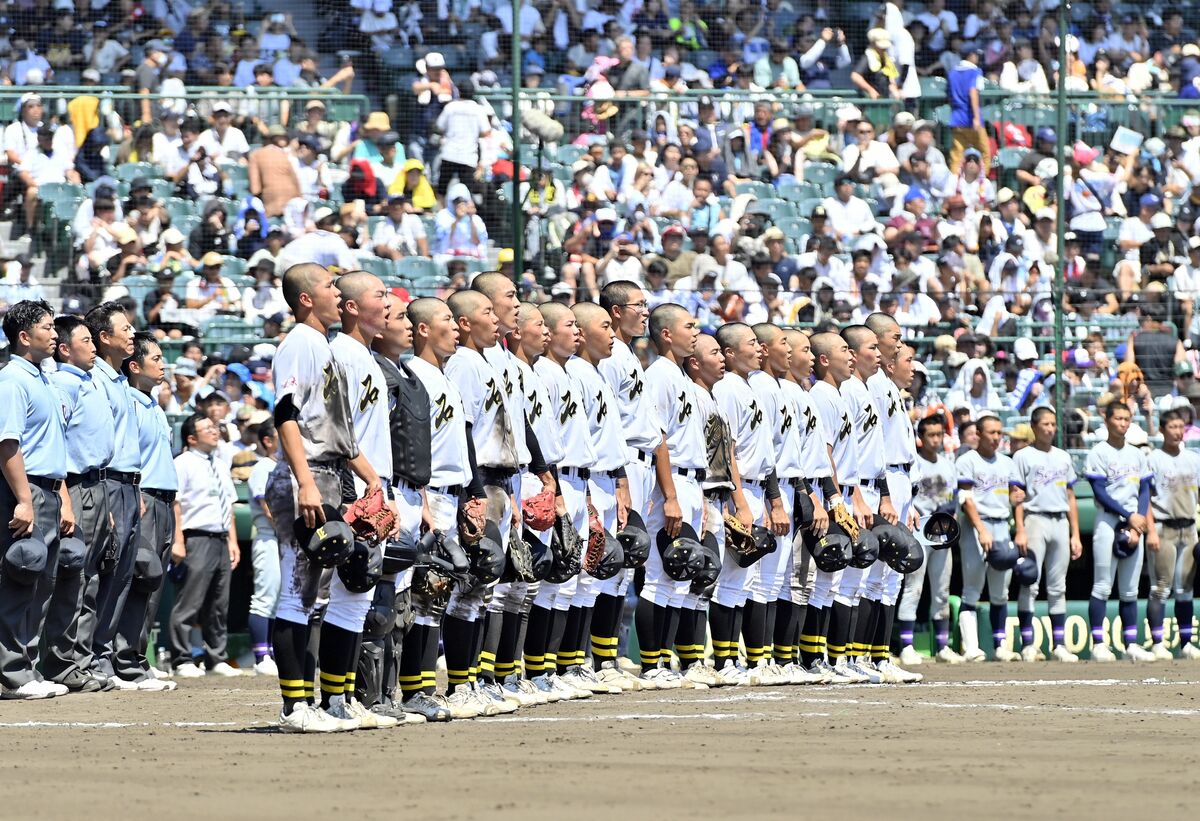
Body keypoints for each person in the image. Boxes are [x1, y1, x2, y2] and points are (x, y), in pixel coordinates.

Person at [264, 263, 382, 733]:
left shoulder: (323, 347)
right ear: (307, 298)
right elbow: (286, 414)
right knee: (298, 594)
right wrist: (305, 482)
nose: (338, 291)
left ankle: (318, 702)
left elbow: (341, 434)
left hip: (329, 471)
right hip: (306, 474)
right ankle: (295, 707)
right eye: (330, 286)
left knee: (319, 594)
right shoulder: (298, 343)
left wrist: (373, 482)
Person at [321, 272, 402, 729]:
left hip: (374, 482)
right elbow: (340, 431)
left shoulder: (365, 357)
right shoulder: (343, 356)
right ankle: (334, 698)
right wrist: (364, 485)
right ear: (352, 307)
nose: (388, 303)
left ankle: (345, 697)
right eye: (379, 295)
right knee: (349, 591)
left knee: (360, 596)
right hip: (356, 484)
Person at [443, 289, 520, 716]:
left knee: (486, 589)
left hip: (500, 480)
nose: (497, 317)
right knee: (470, 586)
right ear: (466, 322)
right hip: (480, 482)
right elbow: (464, 431)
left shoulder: (489, 361)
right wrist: (473, 492)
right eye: (488, 310)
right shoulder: (465, 364)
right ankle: (460, 684)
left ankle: (475, 679)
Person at [526, 301, 598, 700]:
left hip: (574, 479)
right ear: (549, 333)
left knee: (571, 580)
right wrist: (550, 487)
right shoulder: (545, 375)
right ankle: (538, 668)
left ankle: (561, 666)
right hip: (554, 478)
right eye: (570, 325)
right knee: (549, 579)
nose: (578, 332)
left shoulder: (565, 373)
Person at [0, 300, 70, 700]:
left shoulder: (41, 378)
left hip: (48, 490)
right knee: (18, 579)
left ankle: (25, 667)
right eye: (47, 326)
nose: (54, 332)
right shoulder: (12, 380)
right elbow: (8, 444)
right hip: (26, 491)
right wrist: (24, 500)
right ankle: (11, 674)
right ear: (24, 336)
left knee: (41, 585)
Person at [711, 323, 787, 684]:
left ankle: (741, 660)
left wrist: (770, 500)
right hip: (738, 490)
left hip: (756, 488)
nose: (759, 349)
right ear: (729, 352)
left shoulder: (748, 386)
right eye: (751, 343)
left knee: (747, 581)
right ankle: (724, 660)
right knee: (731, 577)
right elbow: (728, 451)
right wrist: (739, 500)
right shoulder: (727, 389)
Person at [41, 316, 114, 693]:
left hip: (99, 486)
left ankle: (78, 661)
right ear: (66, 348)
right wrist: (66, 497)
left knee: (91, 579)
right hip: (76, 486)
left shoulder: (88, 381)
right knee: (73, 578)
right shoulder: (64, 384)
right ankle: (58, 662)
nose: (94, 347)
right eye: (86, 340)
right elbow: (59, 445)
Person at [634, 304, 704, 688]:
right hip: (671, 480)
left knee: (680, 578)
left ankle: (665, 662)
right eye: (688, 326)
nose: (695, 332)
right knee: (660, 576)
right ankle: (651, 664)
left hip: (690, 482)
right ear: (666, 334)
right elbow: (659, 438)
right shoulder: (659, 375)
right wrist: (671, 495)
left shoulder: (680, 376)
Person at [79, 301, 141, 688]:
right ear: (104, 338)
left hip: (129, 485)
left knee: (121, 577)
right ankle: (87, 659)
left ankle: (102, 657)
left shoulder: (119, 379)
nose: (132, 333)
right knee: (98, 574)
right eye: (125, 328)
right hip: (108, 482)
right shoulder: (97, 378)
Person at [110, 333, 178, 690]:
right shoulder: (130, 403)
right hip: (144, 499)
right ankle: (124, 660)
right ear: (134, 366)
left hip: (165, 500)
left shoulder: (155, 405)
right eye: (155, 357)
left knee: (152, 584)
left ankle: (138, 658)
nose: (162, 363)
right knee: (139, 579)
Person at [168, 413, 240, 679]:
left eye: (214, 426)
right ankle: (182, 657)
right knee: (190, 600)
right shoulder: (183, 463)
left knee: (219, 603)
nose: (214, 430)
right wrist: (178, 540)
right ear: (191, 437)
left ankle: (216, 656)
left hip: (221, 537)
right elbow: (176, 503)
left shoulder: (220, 464)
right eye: (207, 428)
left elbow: (229, 506)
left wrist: (233, 541)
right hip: (196, 536)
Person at [1011, 407, 1084, 663]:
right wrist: (1020, 528)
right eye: (1045, 424)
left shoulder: (1063, 457)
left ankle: (1059, 644)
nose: (1050, 428)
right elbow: (1017, 495)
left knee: (1058, 586)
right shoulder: (1023, 456)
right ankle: (1028, 644)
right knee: (1030, 582)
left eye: (1053, 424)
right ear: (1034, 426)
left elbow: (1071, 496)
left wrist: (1076, 533)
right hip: (1035, 519)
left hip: (1060, 520)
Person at [1084, 401, 1154, 662]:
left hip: (1134, 523)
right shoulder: (1098, 452)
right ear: (1107, 420)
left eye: (1127, 419)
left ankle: (1131, 644)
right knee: (1102, 586)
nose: (1123, 423)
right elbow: (1099, 492)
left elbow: (1145, 489)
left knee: (1130, 589)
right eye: (1118, 419)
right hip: (1108, 521)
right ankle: (1098, 643)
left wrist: (1138, 522)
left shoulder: (1137, 454)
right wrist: (1130, 516)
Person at [896, 414, 962, 665]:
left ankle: (942, 647)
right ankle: (906, 646)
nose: (936, 439)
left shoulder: (947, 464)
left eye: (939, 434)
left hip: (942, 535)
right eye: (931, 435)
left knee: (942, 591)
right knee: (914, 588)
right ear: (920, 438)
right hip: (919, 531)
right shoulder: (915, 464)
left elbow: (953, 499)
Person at [955, 414, 1021, 662]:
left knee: (1001, 591)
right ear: (979, 434)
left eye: (999, 433)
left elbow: (1015, 495)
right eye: (991, 433)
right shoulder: (967, 460)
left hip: (1002, 525)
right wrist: (981, 529)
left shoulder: (1007, 462)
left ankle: (1000, 645)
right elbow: (966, 499)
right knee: (972, 588)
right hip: (977, 526)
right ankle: (971, 647)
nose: (996, 438)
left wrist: (1017, 507)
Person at [1146, 410, 1200, 661]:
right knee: (1161, 588)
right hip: (1163, 527)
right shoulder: (1153, 458)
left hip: (1189, 528)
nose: (1178, 432)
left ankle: (1186, 643)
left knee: (1185, 588)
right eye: (1173, 427)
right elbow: (1144, 496)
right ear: (1162, 429)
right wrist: (1150, 529)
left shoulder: (1194, 458)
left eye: (1181, 427)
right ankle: (1157, 642)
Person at [245, 421, 281, 677]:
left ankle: (273, 652)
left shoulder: (285, 467)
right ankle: (261, 655)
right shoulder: (263, 466)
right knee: (265, 598)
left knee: (282, 601)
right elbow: (267, 505)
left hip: (285, 541)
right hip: (269, 537)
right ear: (268, 440)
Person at [948, 48, 988, 174]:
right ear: (971, 55)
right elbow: (973, 92)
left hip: (956, 118)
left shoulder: (952, 72)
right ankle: (982, 182)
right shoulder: (975, 72)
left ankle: (954, 184)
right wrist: (976, 117)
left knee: (957, 155)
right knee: (985, 152)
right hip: (971, 118)